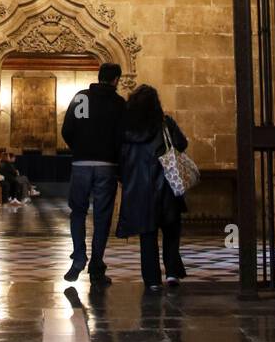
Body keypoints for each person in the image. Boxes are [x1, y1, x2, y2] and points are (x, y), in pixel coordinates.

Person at [116, 84, 188, 290]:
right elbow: (182, 144)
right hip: (166, 184)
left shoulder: (126, 129)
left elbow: (120, 158)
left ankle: (152, 280)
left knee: (147, 234)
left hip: (139, 188)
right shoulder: (165, 123)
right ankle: (172, 272)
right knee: (171, 230)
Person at [60, 63, 126, 285]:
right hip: (107, 165)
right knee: (102, 217)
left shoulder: (82, 98)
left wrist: (80, 149)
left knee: (77, 212)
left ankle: (79, 257)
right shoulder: (119, 104)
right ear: (116, 79)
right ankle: (97, 266)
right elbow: (122, 138)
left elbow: (67, 130)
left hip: (81, 165)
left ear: (99, 77)